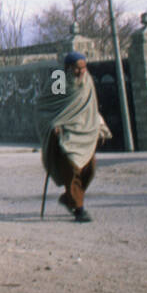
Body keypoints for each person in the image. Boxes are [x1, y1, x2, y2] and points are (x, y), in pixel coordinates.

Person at [36, 51, 111, 223]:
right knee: (71, 170)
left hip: (85, 132)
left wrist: (99, 124)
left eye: (84, 68)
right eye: (78, 69)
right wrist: (53, 124)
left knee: (89, 169)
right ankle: (79, 209)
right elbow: (47, 106)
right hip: (66, 133)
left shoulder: (87, 79)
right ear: (68, 68)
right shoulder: (59, 79)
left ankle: (69, 198)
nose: (81, 72)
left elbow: (90, 105)